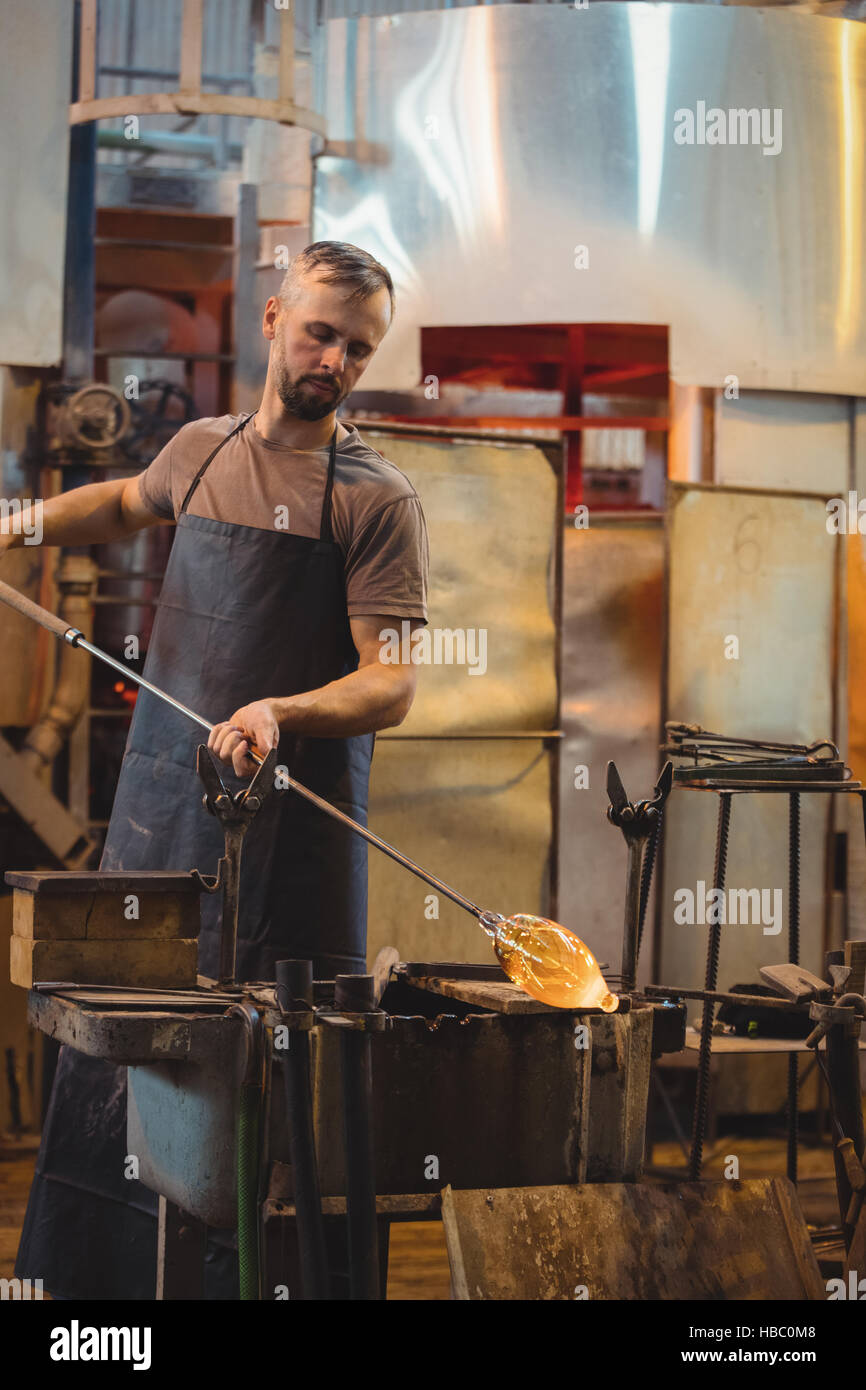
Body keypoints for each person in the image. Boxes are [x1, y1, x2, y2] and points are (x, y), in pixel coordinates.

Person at [9, 240, 428, 1298]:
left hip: (295, 842)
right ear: (277, 315)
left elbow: (391, 682)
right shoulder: (197, 451)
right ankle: (97, 1292)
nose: (334, 357)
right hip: (161, 814)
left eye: (359, 348)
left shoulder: (373, 498)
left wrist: (283, 710)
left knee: (282, 1088)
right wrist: (18, 524)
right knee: (124, 1060)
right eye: (323, 331)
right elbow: (119, 504)